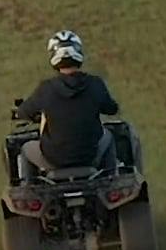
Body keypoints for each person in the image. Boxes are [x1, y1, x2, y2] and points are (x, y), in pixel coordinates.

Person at [15, 30, 122, 179]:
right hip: (89, 156)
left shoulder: (46, 88)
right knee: (108, 136)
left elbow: (23, 113)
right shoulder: (95, 84)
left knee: (26, 149)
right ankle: (112, 179)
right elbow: (112, 109)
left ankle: (29, 187)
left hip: (53, 159)